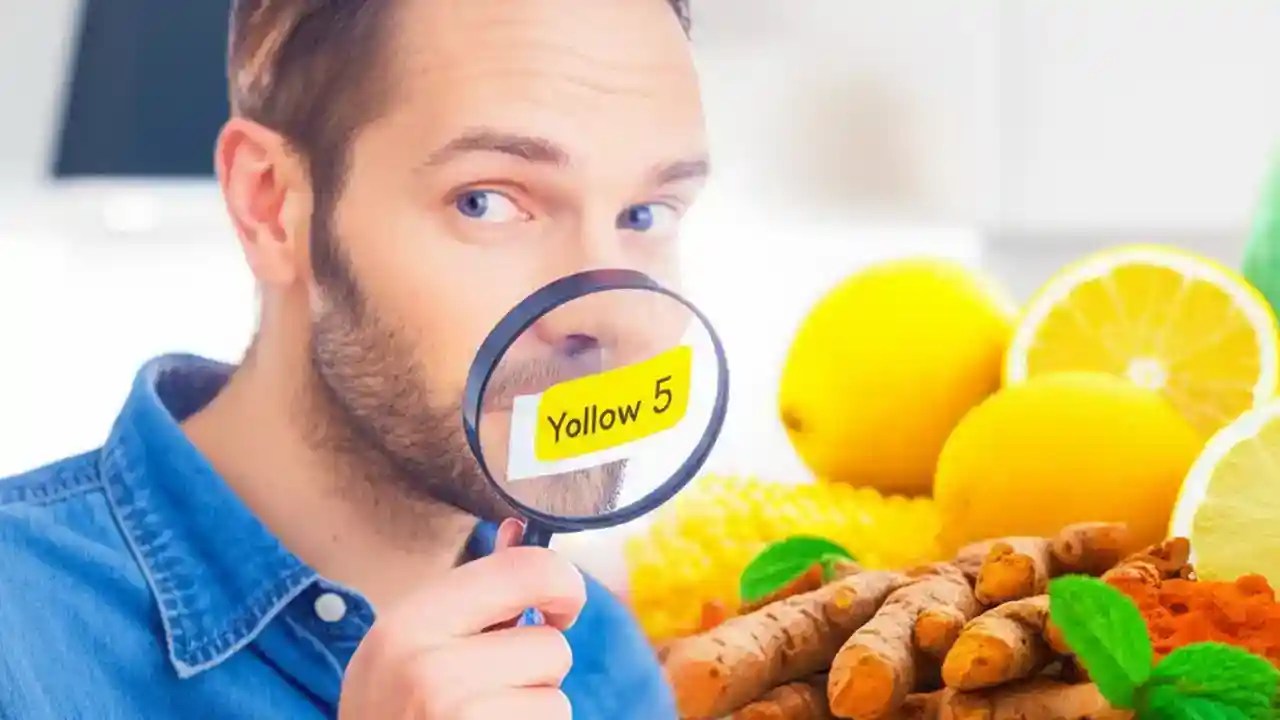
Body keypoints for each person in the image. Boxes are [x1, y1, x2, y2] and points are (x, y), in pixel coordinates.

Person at [0, 0, 709, 717]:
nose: (607, 315)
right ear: (272, 204)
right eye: (486, 202)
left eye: (646, 215)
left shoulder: (602, 662)